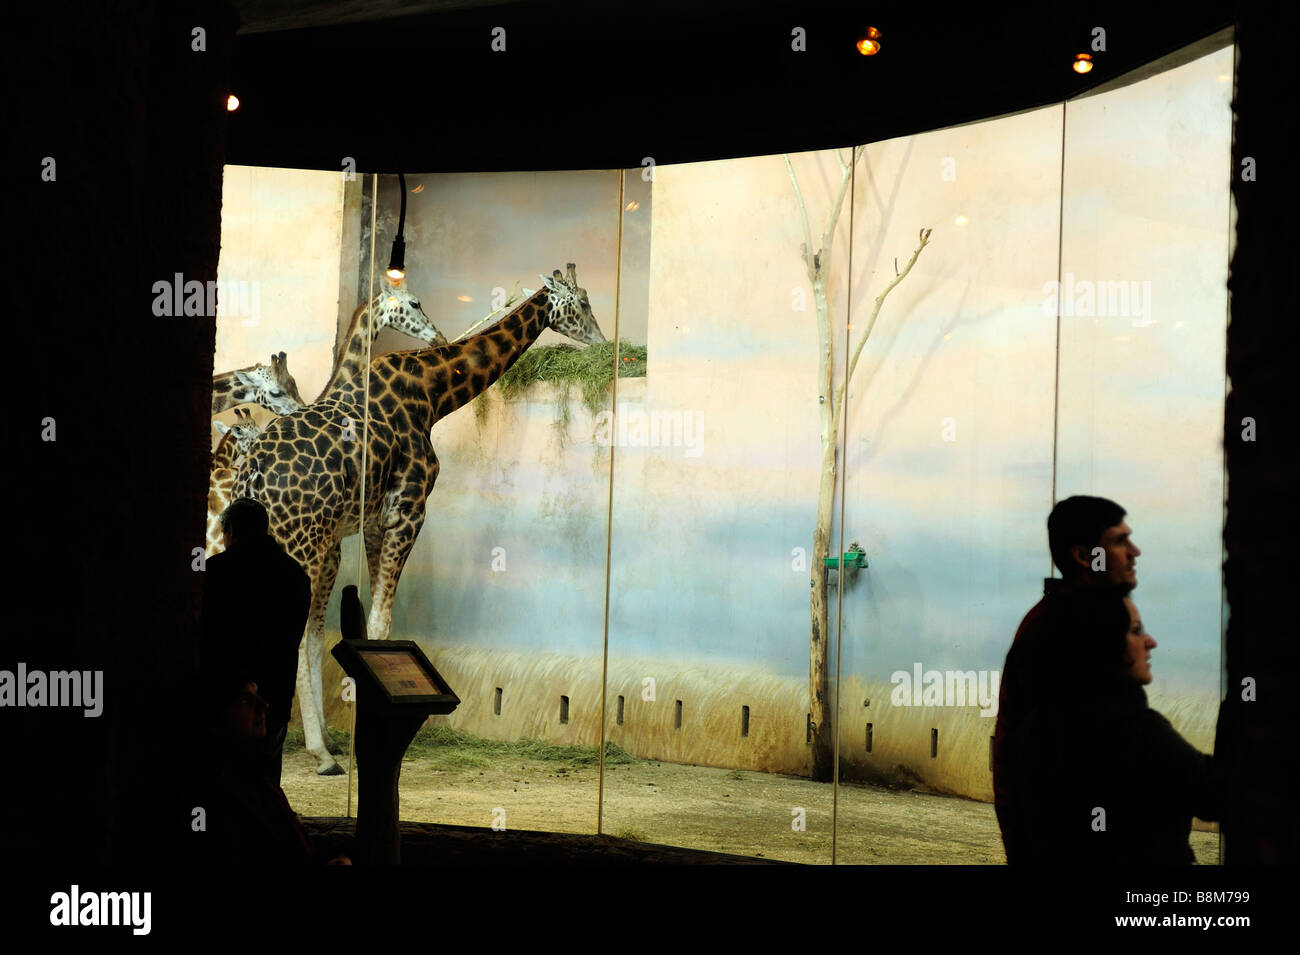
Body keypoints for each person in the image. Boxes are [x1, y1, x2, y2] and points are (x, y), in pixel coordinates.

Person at [1014, 588, 1222, 863]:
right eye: (1136, 631)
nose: (1150, 642)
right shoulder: (1141, 731)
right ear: (1109, 644)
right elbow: (1218, 796)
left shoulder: (1038, 725)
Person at [992, 495, 1140, 863]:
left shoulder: (1076, 622)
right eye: (1119, 541)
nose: (1134, 551)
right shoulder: (1062, 632)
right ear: (1084, 556)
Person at [201, 497, 311, 786]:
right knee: (264, 785)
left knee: (223, 786)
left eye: (224, 533)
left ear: (232, 529)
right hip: (275, 697)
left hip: (225, 700)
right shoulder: (296, 575)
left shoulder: (215, 572)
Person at [195, 676, 352, 865]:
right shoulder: (221, 787)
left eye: (257, 695)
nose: (265, 705)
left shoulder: (252, 772)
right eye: (245, 701)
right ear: (217, 715)